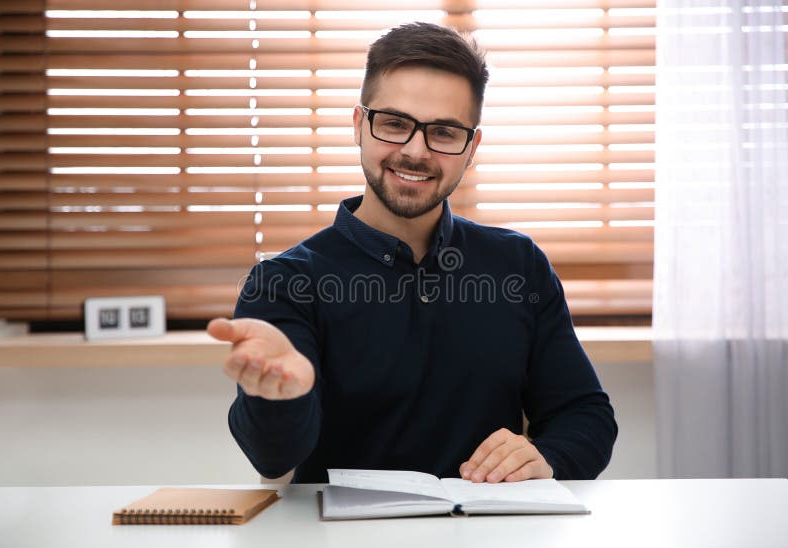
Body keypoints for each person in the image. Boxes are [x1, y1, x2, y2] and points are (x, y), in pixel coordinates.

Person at [207, 22, 617, 484]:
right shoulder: (284, 281)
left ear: (471, 147)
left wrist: (550, 457)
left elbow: (586, 415)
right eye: (395, 124)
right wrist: (280, 395)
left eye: (443, 132)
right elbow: (273, 458)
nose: (415, 151)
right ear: (360, 125)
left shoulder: (518, 264)